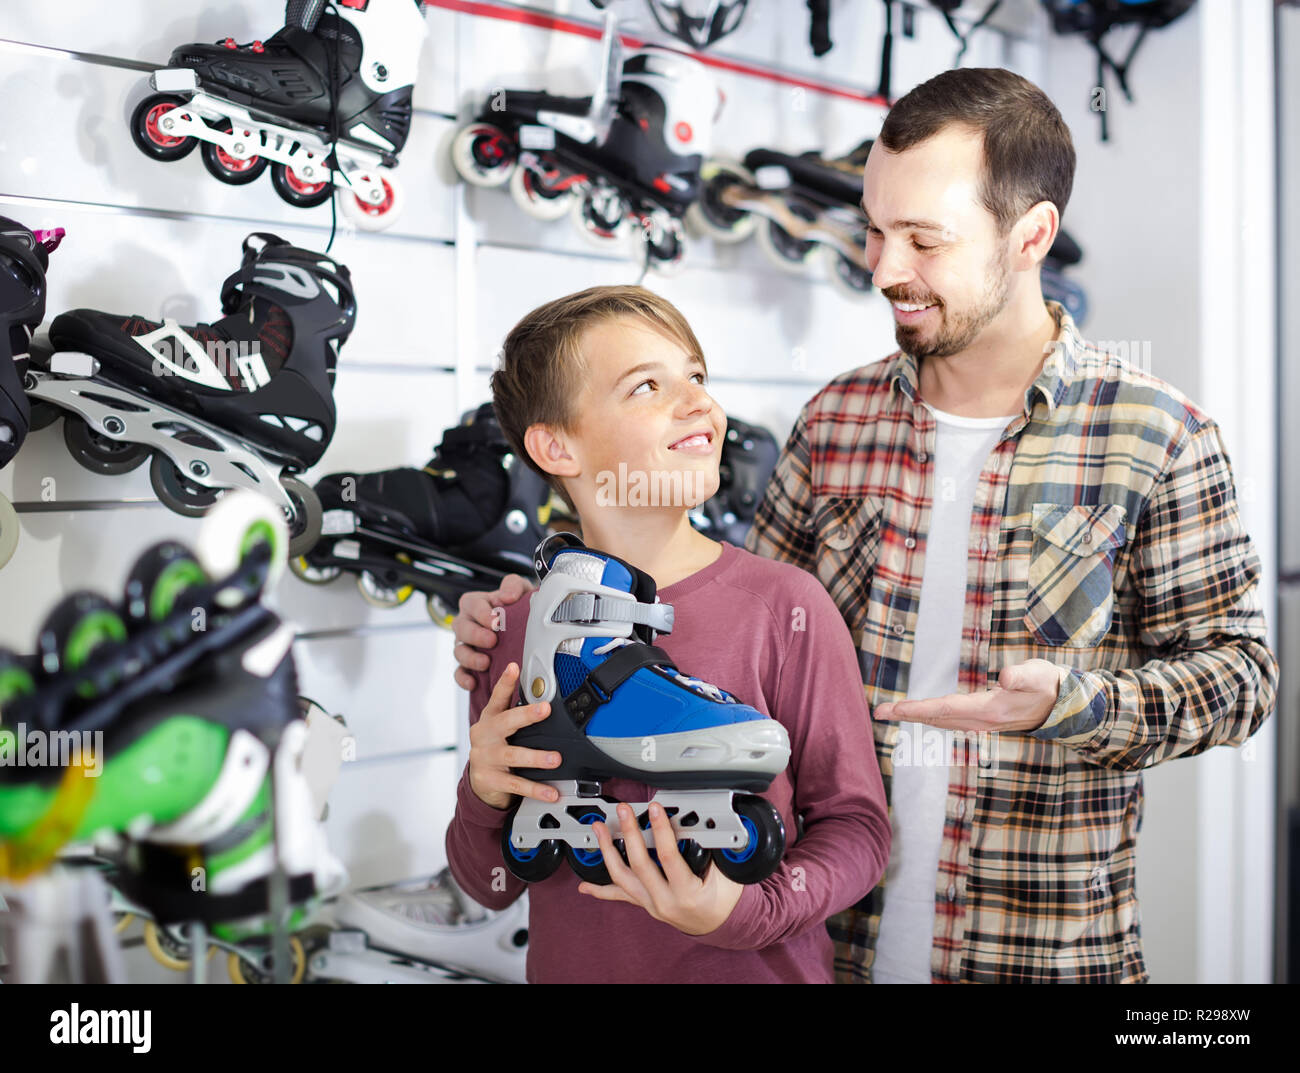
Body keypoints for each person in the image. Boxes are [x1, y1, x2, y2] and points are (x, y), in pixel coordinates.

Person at [452, 67, 1279, 984]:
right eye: (877, 229)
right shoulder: (836, 420)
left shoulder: (1156, 435)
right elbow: (715, 627)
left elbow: (1243, 677)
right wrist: (544, 611)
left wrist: (1071, 706)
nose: (883, 268)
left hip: (1034, 951)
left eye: (923, 240)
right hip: (823, 947)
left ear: (1030, 236)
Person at [443, 285, 890, 984]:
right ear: (556, 444)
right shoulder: (518, 633)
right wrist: (483, 792)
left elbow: (858, 829)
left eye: (698, 376)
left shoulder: (785, 607)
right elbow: (491, 882)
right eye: (647, 385)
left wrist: (742, 912)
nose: (698, 404)